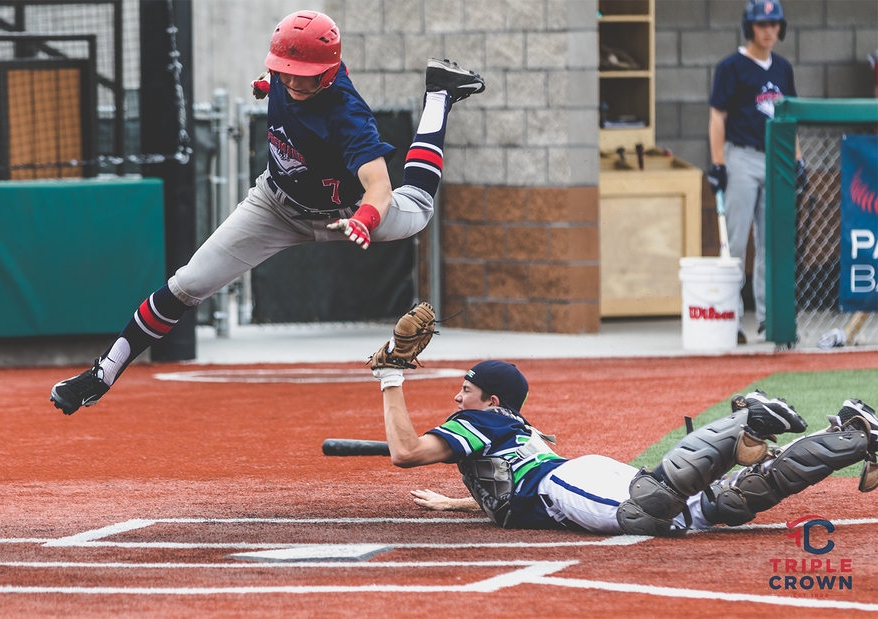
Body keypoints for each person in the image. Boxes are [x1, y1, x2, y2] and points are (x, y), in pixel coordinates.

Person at [50, 10, 484, 414]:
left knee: (419, 207)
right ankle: (103, 372)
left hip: (346, 214)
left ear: (328, 72)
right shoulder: (284, 74)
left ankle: (439, 93)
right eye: (284, 70)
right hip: (274, 205)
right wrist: (267, 81)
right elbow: (281, 73)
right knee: (187, 284)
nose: (291, 81)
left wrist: (365, 220)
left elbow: (380, 187)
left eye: (303, 75)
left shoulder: (348, 115)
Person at [371, 356, 877, 534]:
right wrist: (459, 502)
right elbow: (503, 481)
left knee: (646, 510)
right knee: (728, 503)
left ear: (492, 399)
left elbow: (405, 453)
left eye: (466, 389)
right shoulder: (508, 427)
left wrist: (390, 378)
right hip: (575, 477)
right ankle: (856, 436)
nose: (457, 397)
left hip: (559, 485)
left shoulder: (479, 418)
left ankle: (746, 421)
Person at [706, 0, 804, 344]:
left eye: (774, 24)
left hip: (775, 159)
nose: (769, 31)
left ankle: (768, 319)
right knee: (735, 242)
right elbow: (717, 116)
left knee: (771, 243)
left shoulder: (784, 68)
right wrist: (718, 162)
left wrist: (797, 159)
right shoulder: (731, 67)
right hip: (742, 158)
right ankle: (730, 319)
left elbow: (788, 117)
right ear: (749, 27)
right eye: (762, 24)